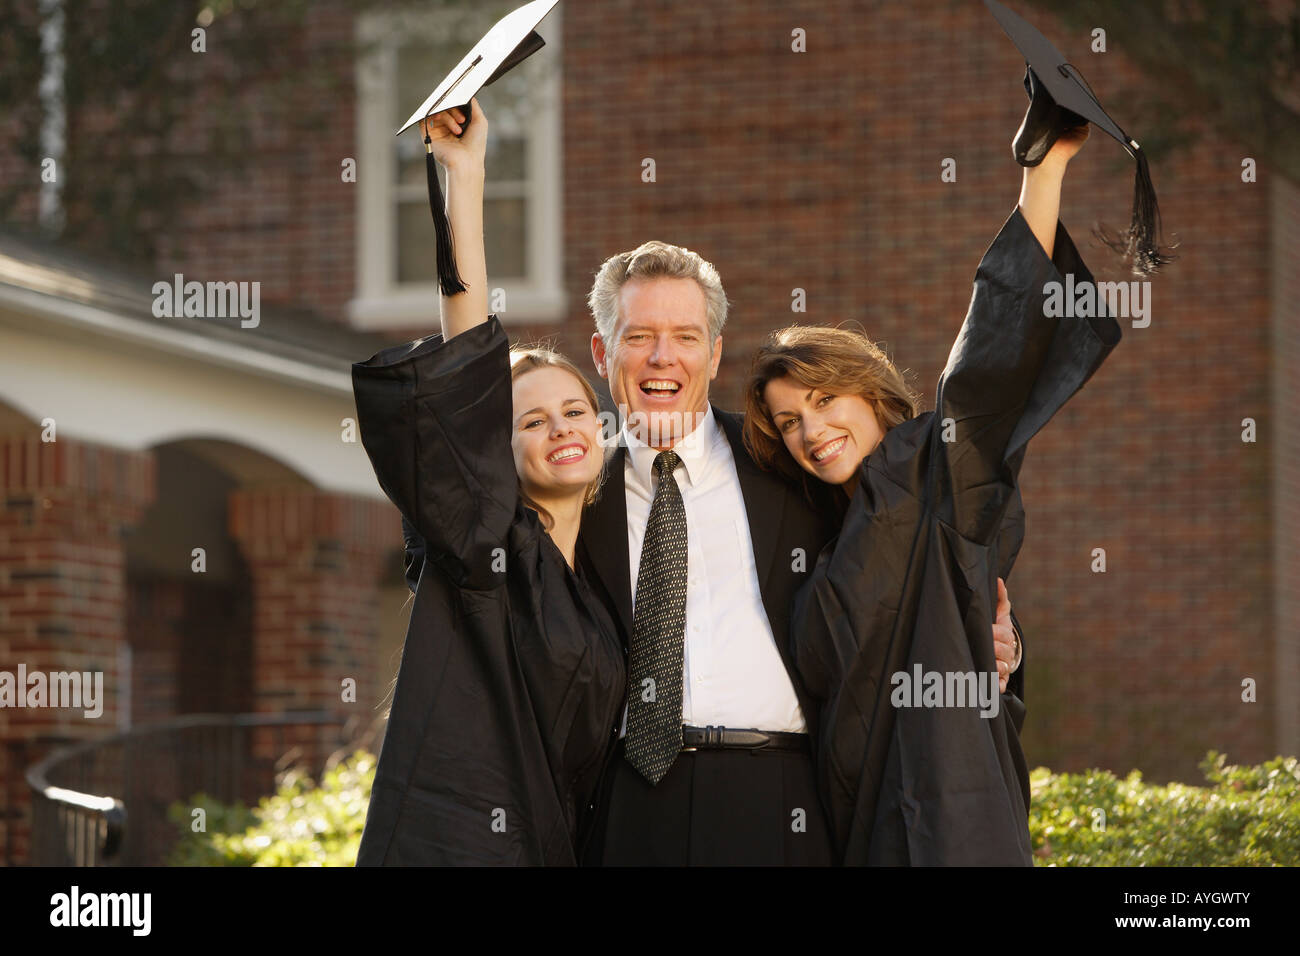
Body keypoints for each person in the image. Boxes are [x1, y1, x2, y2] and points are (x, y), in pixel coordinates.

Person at [742, 122, 1123, 863]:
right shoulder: (812, 532)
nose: (810, 430)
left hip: (954, 810)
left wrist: (1040, 174)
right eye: (789, 422)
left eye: (824, 401)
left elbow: (989, 355)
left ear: (871, 391)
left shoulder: (936, 463)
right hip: (857, 822)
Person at [573, 249, 1023, 863]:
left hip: (786, 799)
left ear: (715, 353)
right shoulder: (570, 489)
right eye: (639, 337)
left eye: (685, 336)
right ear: (602, 352)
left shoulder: (792, 465)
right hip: (628, 806)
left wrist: (993, 638)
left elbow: (901, 561)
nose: (663, 357)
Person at [352, 100, 625, 865]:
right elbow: (469, 361)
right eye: (531, 421)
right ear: (491, 456)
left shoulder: (603, 582)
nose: (562, 427)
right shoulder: (483, 544)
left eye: (575, 410)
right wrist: (464, 179)